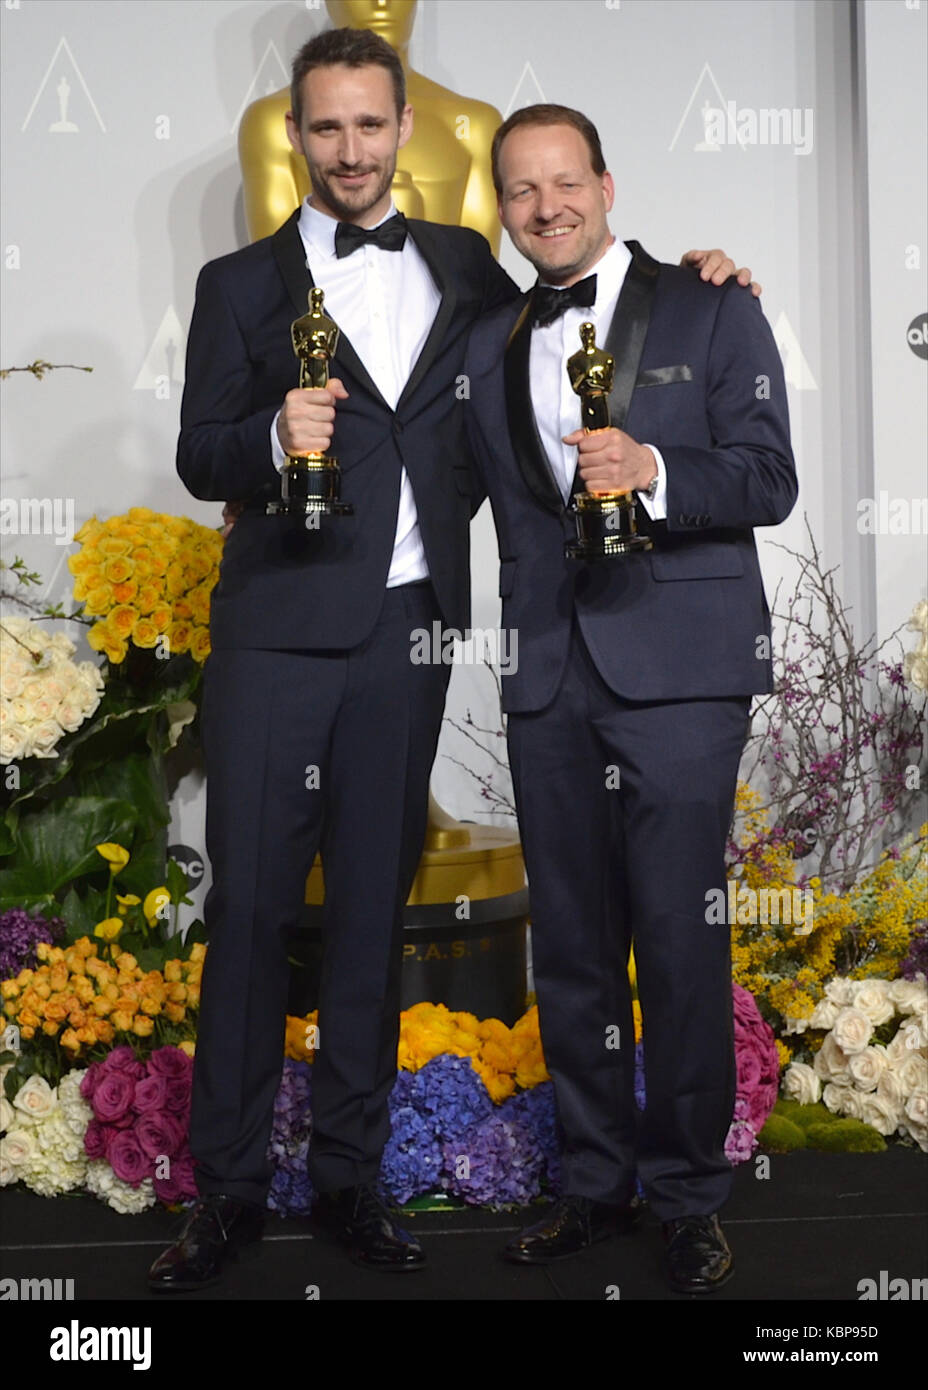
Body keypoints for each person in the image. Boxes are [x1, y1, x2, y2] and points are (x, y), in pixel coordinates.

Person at [149, 26, 752, 1292]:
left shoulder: (472, 271)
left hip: (408, 634)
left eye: (372, 126)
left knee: (371, 909)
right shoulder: (235, 284)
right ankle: (225, 1192)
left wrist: (705, 275)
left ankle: (352, 1185)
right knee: (252, 910)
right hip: (274, 636)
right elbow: (201, 453)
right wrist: (268, 432)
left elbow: (583, 319)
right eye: (327, 128)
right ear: (297, 135)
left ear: (406, 130)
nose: (351, 150)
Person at [461, 104, 797, 1294]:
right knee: (572, 952)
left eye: (563, 181)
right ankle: (592, 1184)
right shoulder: (490, 341)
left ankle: (691, 1192)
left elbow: (768, 476)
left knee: (677, 936)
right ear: (499, 206)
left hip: (678, 676)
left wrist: (652, 471)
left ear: (606, 183)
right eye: (519, 189)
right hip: (549, 674)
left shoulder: (714, 303)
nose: (544, 205)